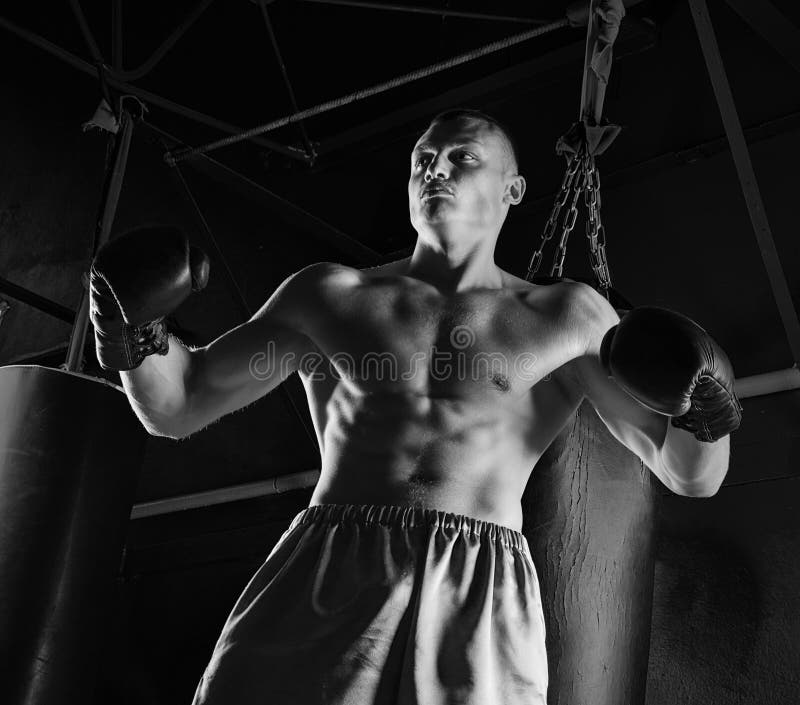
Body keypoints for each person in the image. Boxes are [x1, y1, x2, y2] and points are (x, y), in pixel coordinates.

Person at [89, 109, 742, 704]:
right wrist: (133, 334)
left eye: (461, 157)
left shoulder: (567, 317)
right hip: (331, 561)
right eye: (423, 160)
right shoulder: (329, 295)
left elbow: (689, 471)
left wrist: (705, 411)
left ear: (513, 189)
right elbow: (179, 402)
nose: (436, 168)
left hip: (478, 584)